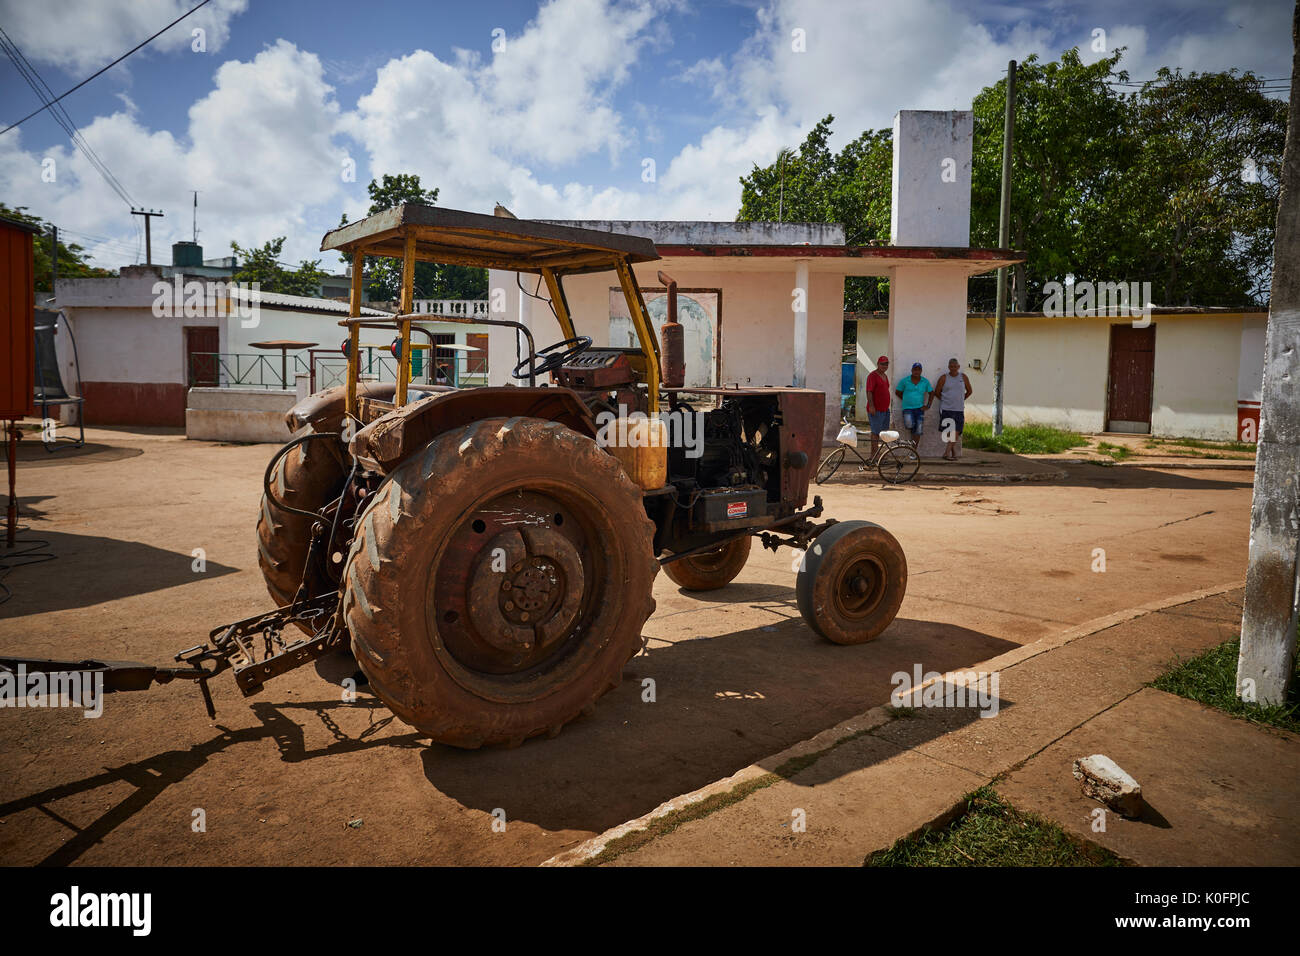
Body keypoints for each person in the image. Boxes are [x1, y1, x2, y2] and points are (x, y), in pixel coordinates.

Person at [933, 357, 973, 461]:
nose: (953, 368)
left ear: (958, 367)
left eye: (955, 366)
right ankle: (954, 452)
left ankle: (946, 453)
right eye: (951, 366)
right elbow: (937, 392)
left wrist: (960, 399)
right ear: (948, 367)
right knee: (949, 432)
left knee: (957, 430)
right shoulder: (944, 378)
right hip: (946, 408)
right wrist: (946, 400)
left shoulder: (963, 377)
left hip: (959, 409)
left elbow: (969, 391)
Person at [895, 362, 932, 446]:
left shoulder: (925, 381)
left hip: (920, 409)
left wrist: (928, 405)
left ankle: (913, 451)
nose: (917, 371)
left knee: (918, 431)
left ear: (921, 371)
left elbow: (932, 393)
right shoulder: (905, 381)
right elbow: (898, 392)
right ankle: (913, 432)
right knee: (909, 425)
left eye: (919, 370)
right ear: (911, 370)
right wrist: (906, 399)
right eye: (915, 369)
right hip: (907, 408)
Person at [864, 355, 891, 457]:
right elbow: (869, 391)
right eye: (882, 364)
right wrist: (871, 406)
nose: (884, 366)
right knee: (875, 432)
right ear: (878, 364)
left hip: (884, 409)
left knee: (883, 432)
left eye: (886, 364)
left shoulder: (885, 376)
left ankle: (879, 454)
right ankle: (873, 455)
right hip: (876, 410)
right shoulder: (872, 376)